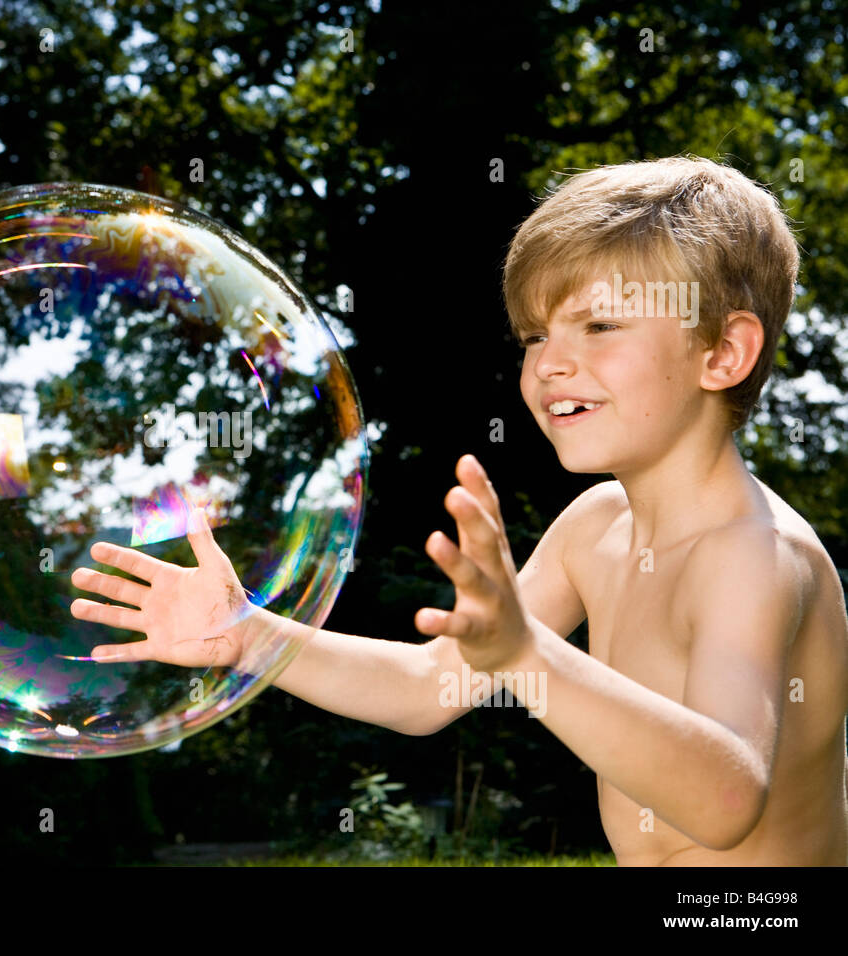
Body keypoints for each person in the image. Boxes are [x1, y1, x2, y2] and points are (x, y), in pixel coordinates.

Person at [70, 156, 848, 865]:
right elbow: (426, 690)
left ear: (724, 354)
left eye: (600, 325)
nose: (551, 363)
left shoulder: (755, 552)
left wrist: (526, 658)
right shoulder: (594, 529)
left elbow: (724, 801)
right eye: (535, 334)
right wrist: (248, 635)